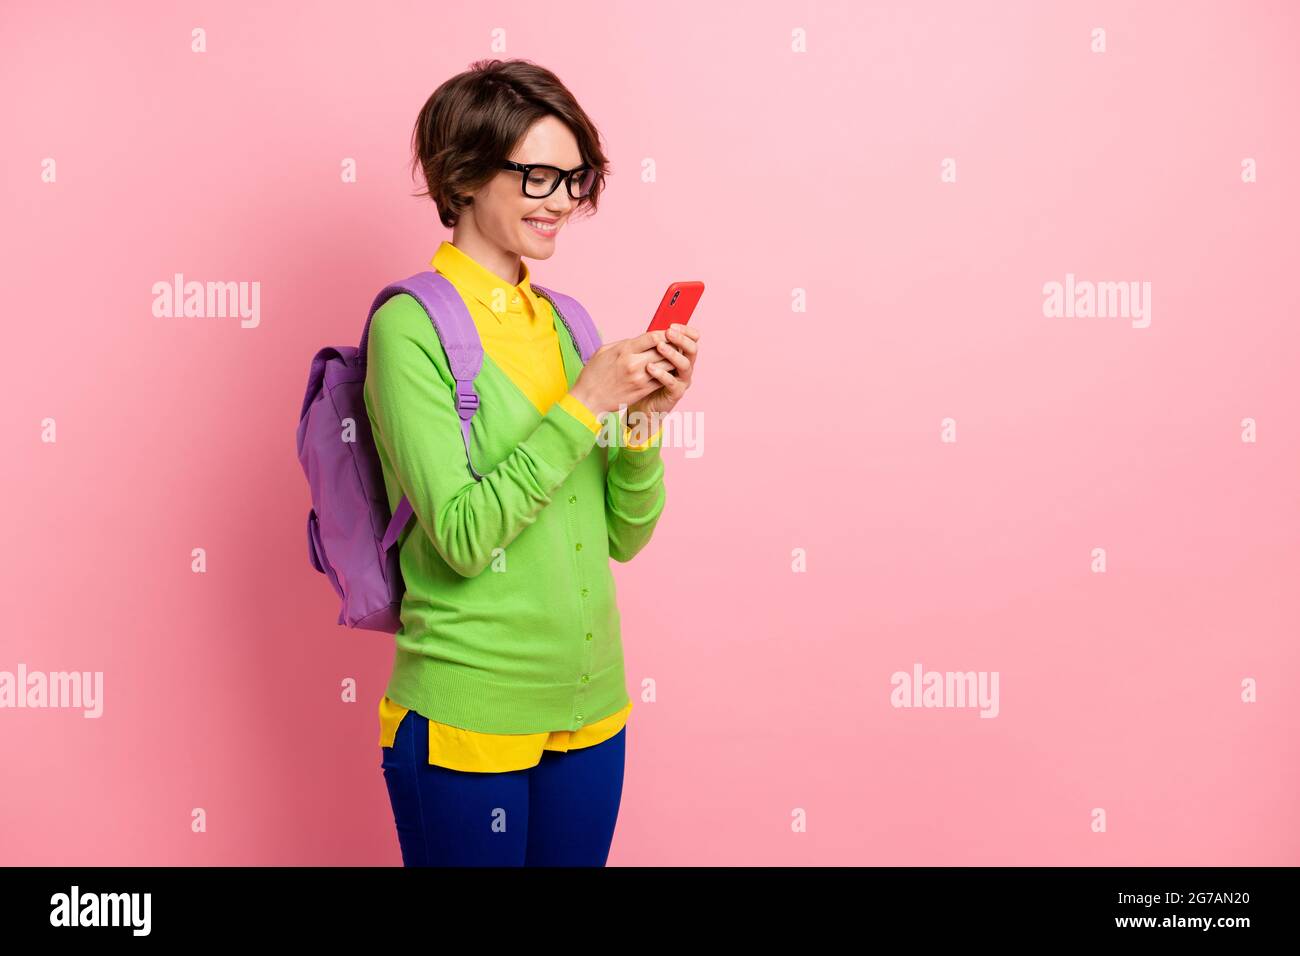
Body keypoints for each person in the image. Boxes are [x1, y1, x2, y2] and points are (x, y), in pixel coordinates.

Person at [363, 57, 701, 866]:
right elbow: (464, 534)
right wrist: (584, 404)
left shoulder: (568, 323)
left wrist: (642, 430)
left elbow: (623, 537)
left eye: (574, 179)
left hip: (591, 709)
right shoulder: (409, 327)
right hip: (468, 713)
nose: (562, 203)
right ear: (466, 174)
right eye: (539, 177)